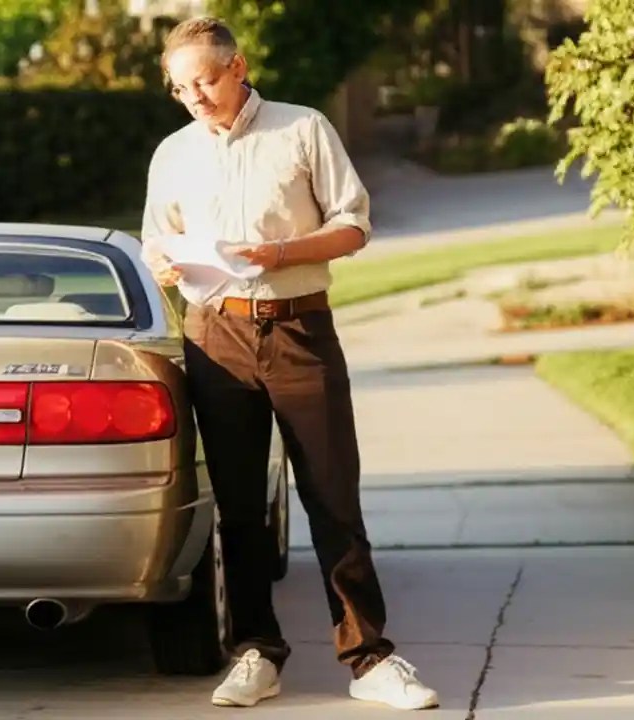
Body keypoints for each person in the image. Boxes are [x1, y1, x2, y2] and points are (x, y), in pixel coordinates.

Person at [140, 17, 439, 711]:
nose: (195, 96)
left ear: (238, 67)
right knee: (241, 509)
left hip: (300, 330)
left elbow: (354, 225)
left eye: (205, 80)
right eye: (181, 87)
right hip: (215, 339)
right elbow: (157, 240)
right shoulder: (173, 154)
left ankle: (370, 659)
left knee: (333, 498)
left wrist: (277, 254)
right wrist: (163, 259)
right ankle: (255, 653)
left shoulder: (302, 128)